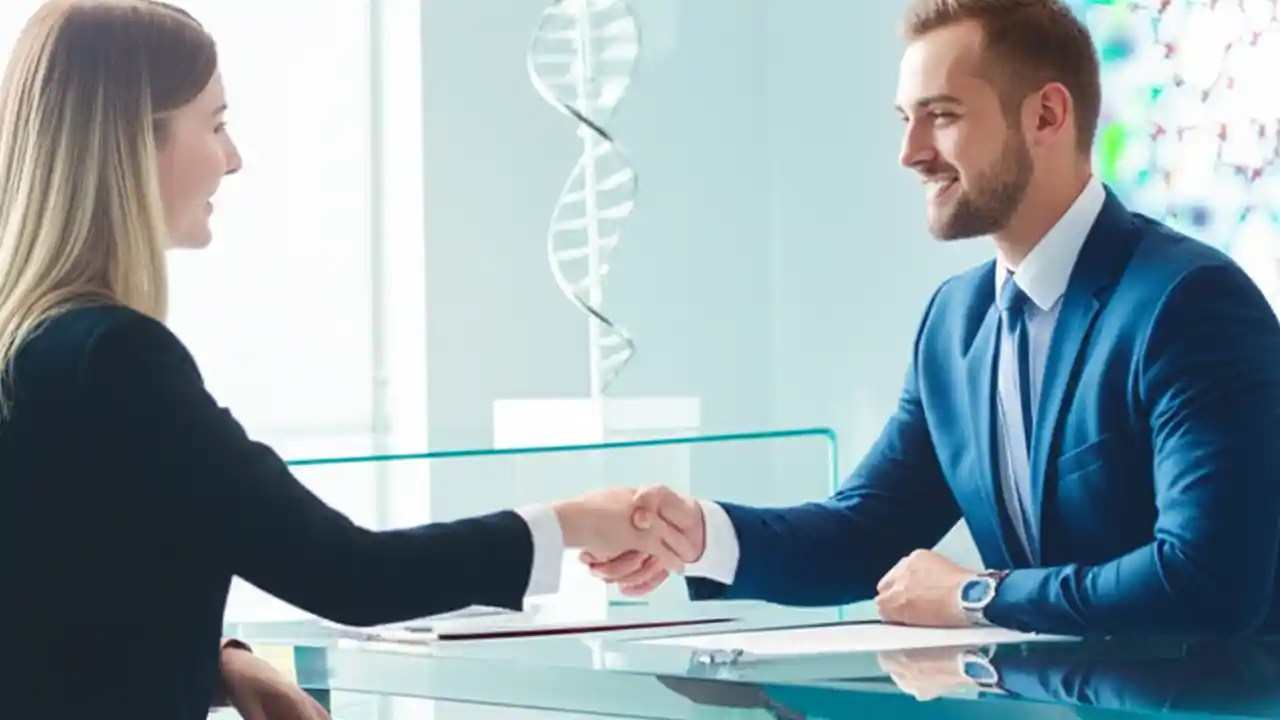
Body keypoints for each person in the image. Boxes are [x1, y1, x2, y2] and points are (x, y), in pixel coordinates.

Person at [0, 2, 690, 717]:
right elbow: (349, 574)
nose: (233, 159)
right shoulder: (116, 359)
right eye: (215, 125)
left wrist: (225, 661)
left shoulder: (33, 351)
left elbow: (63, 608)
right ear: (134, 145)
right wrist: (571, 520)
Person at [588, 0, 1280, 637]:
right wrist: (696, 534)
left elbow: (1208, 582)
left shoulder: (1190, 304)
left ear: (1046, 116)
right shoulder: (955, 322)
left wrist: (975, 596)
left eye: (942, 115)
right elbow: (867, 533)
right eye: (904, 118)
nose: (911, 151)